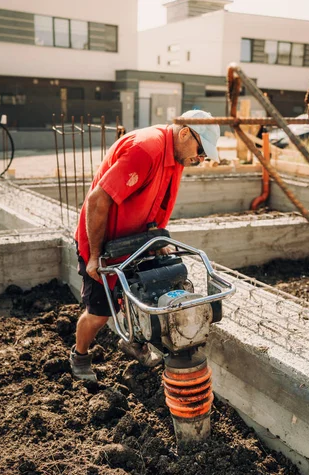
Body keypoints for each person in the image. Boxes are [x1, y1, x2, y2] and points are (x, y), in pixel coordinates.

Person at [70, 109, 220, 382]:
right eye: (200, 150)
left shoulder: (175, 159)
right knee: (100, 313)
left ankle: (133, 342)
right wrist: (94, 256)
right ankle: (79, 356)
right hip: (103, 243)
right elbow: (97, 201)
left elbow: (157, 202)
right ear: (184, 132)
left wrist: (157, 238)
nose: (200, 158)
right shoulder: (146, 150)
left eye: (204, 155)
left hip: (135, 241)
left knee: (146, 293)